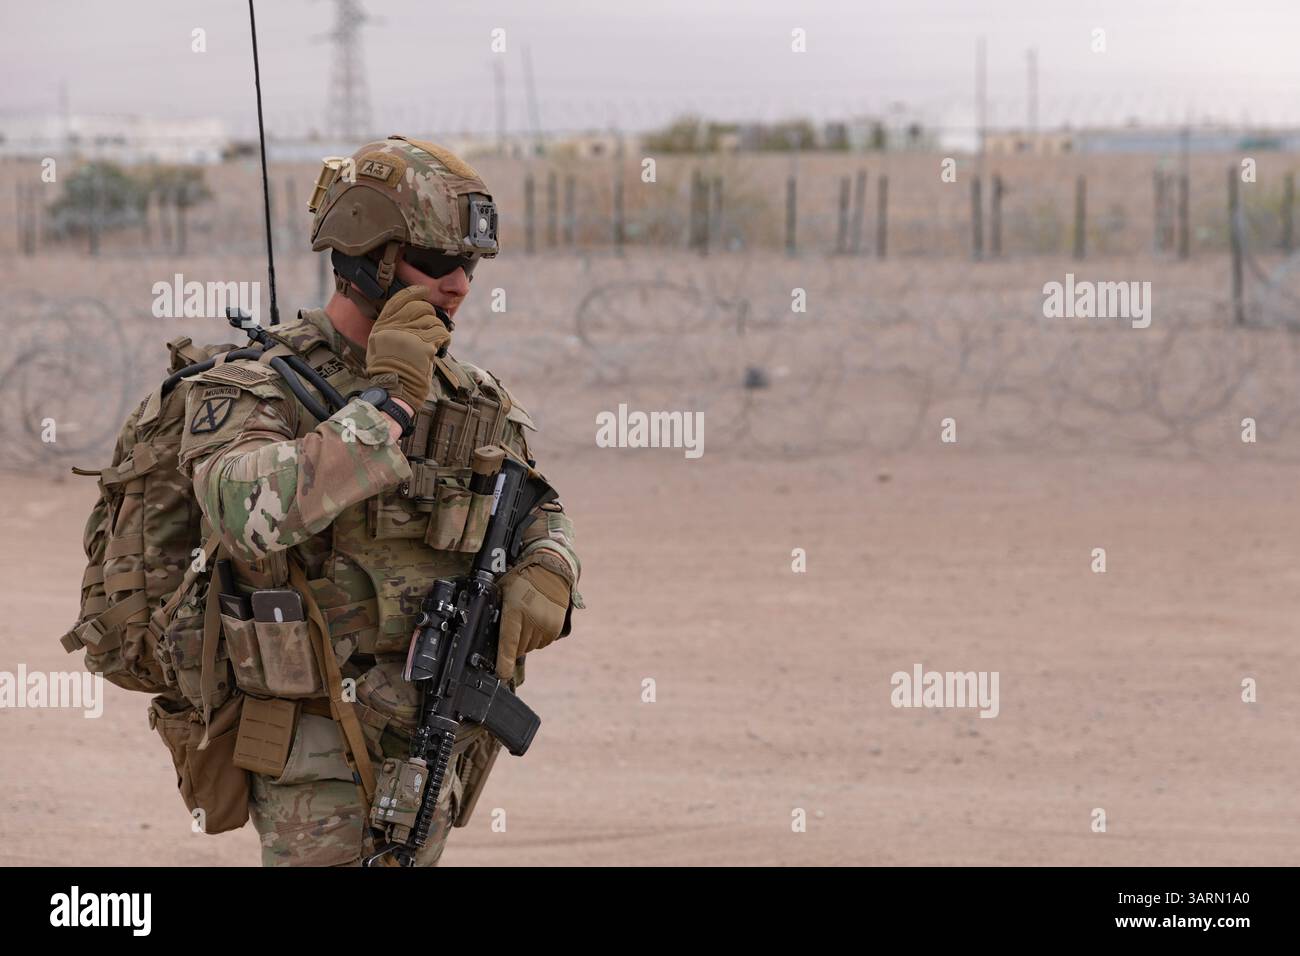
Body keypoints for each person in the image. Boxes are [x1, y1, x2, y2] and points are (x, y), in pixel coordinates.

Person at [176, 135, 583, 866]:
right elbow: (244, 511)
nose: (459, 285)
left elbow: (533, 505)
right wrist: (390, 402)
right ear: (369, 255)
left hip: (434, 733)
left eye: (471, 265)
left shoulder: (470, 395)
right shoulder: (257, 384)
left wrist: (551, 566)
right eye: (437, 263)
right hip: (316, 746)